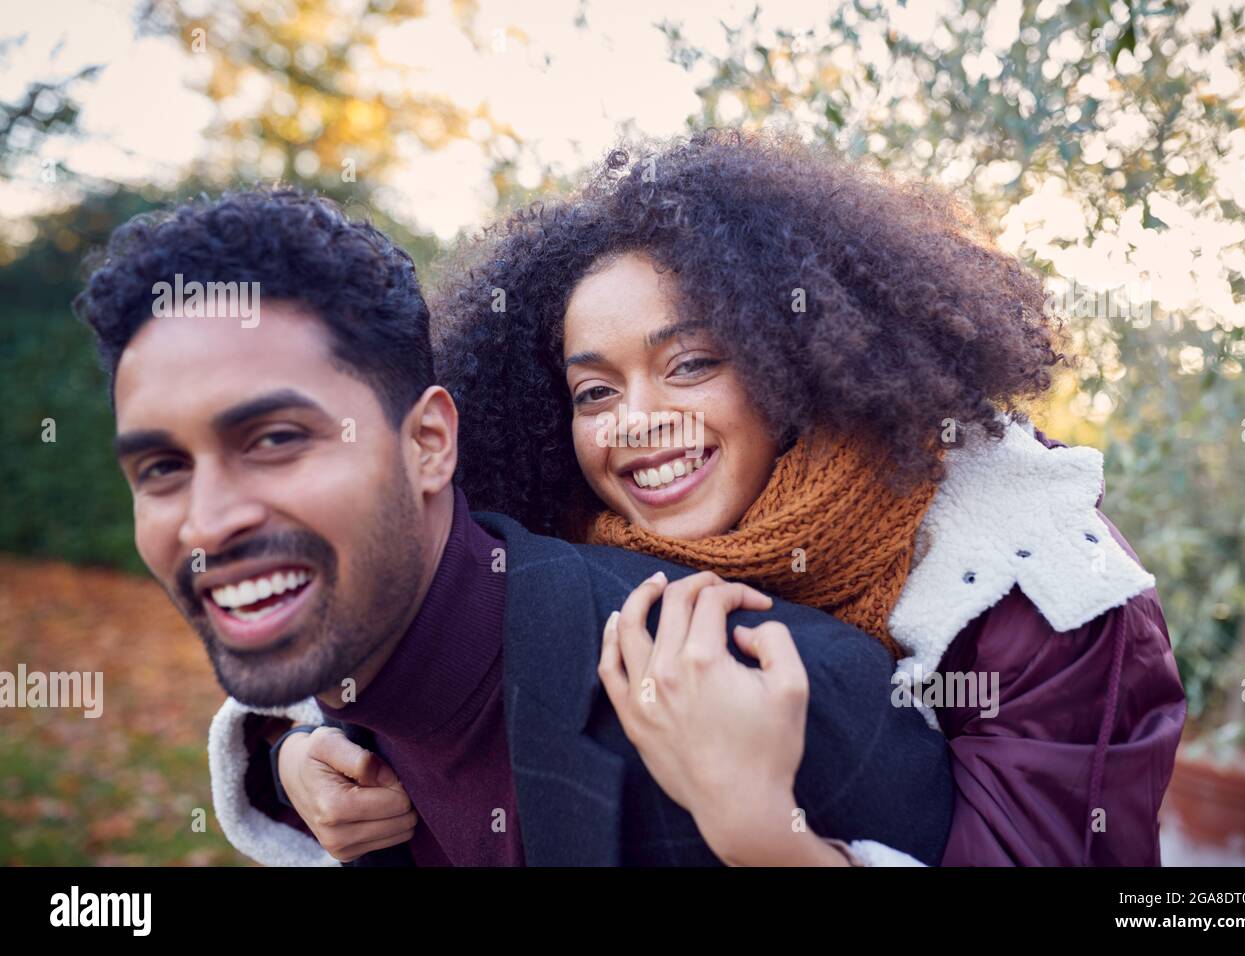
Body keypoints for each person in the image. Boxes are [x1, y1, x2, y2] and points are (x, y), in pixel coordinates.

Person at [259, 130, 1186, 866]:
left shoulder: (1031, 578)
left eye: (692, 364)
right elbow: (420, 606)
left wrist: (760, 831)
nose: (639, 424)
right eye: (596, 392)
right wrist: (290, 756)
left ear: (790, 361)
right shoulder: (568, 533)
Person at [74, 185, 954, 867]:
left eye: (275, 440)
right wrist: (277, 758)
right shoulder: (339, 700)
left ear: (429, 444)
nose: (209, 521)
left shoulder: (781, 683)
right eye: (161, 468)